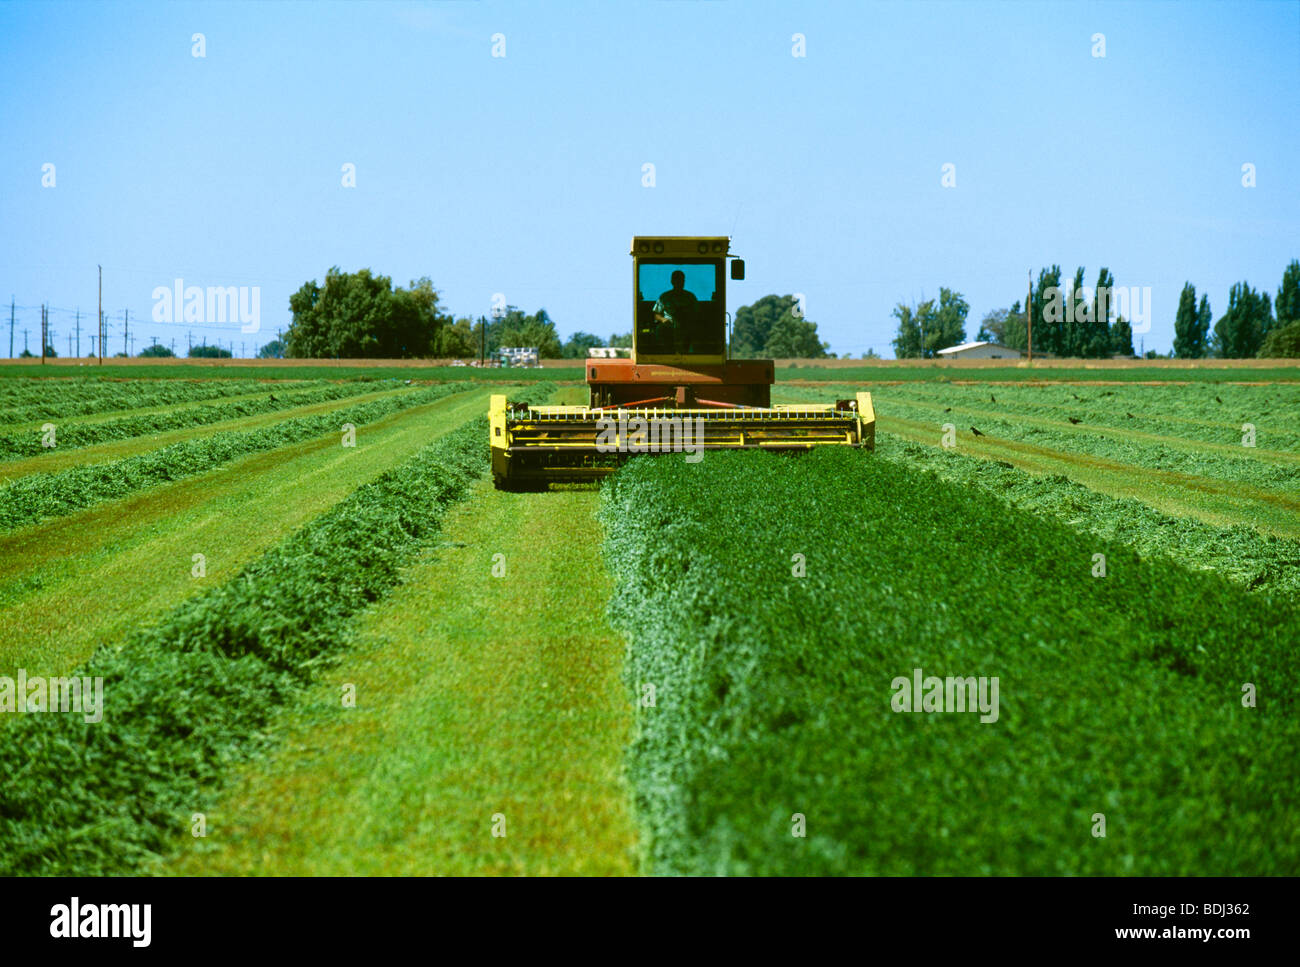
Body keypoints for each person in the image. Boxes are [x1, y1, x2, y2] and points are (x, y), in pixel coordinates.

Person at [653, 270, 698, 353]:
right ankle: (665, 353)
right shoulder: (664, 297)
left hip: (686, 325)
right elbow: (656, 314)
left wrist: (687, 318)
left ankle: (689, 353)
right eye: (676, 280)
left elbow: (697, 313)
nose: (679, 282)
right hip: (668, 326)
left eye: (681, 280)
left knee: (696, 331)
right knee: (660, 329)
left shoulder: (690, 297)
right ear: (672, 281)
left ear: (684, 281)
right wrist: (663, 320)